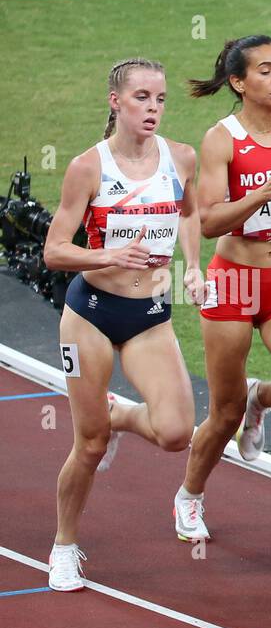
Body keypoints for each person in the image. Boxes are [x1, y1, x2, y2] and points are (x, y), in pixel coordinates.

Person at [42, 57, 202, 592]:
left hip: (150, 316)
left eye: (159, 99)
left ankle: (120, 413)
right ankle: (64, 545)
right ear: (116, 102)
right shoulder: (89, 167)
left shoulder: (181, 158)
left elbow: (188, 212)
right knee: (87, 445)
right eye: (140, 98)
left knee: (178, 433)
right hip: (90, 314)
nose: (152, 108)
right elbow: (55, 251)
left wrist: (195, 268)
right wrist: (107, 256)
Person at [177, 35, 271, 542]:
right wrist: (263, 193)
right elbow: (211, 220)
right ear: (238, 82)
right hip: (234, 279)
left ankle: (262, 396)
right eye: (265, 70)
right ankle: (190, 496)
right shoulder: (222, 139)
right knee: (223, 412)